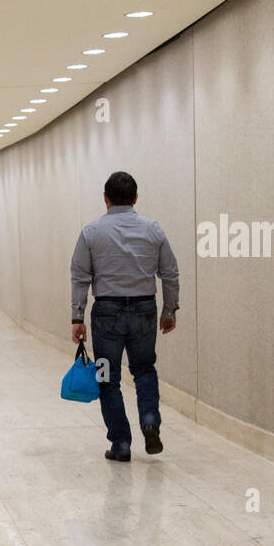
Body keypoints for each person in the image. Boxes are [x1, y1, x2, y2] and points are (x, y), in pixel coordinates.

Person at [69, 171, 180, 461]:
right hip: (145, 310)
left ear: (105, 198)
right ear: (136, 198)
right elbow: (170, 273)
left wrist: (77, 317)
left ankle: (120, 444)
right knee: (144, 370)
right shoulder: (153, 230)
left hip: (107, 312)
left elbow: (80, 277)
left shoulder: (91, 232)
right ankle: (150, 420)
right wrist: (169, 310)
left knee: (107, 377)